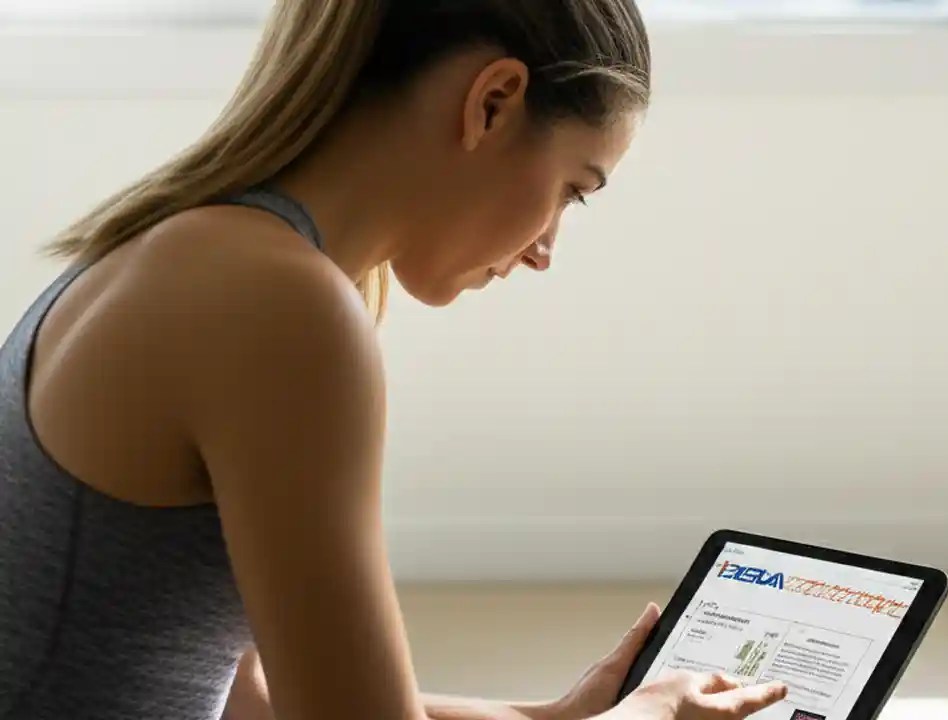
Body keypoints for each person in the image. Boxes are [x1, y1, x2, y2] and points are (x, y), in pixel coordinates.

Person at [0, 1, 789, 719]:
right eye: (572, 190)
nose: (546, 249)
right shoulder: (279, 309)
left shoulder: (186, 247)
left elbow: (234, 694)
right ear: (493, 103)